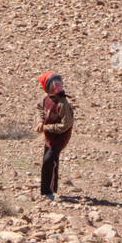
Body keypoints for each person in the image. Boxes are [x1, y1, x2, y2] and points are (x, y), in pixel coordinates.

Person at [36, 71, 75, 200]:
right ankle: (47, 191)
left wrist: (47, 127)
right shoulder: (46, 99)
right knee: (50, 162)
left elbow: (66, 125)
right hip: (49, 136)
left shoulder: (63, 104)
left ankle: (49, 191)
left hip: (59, 138)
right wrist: (41, 121)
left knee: (49, 161)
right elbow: (41, 108)